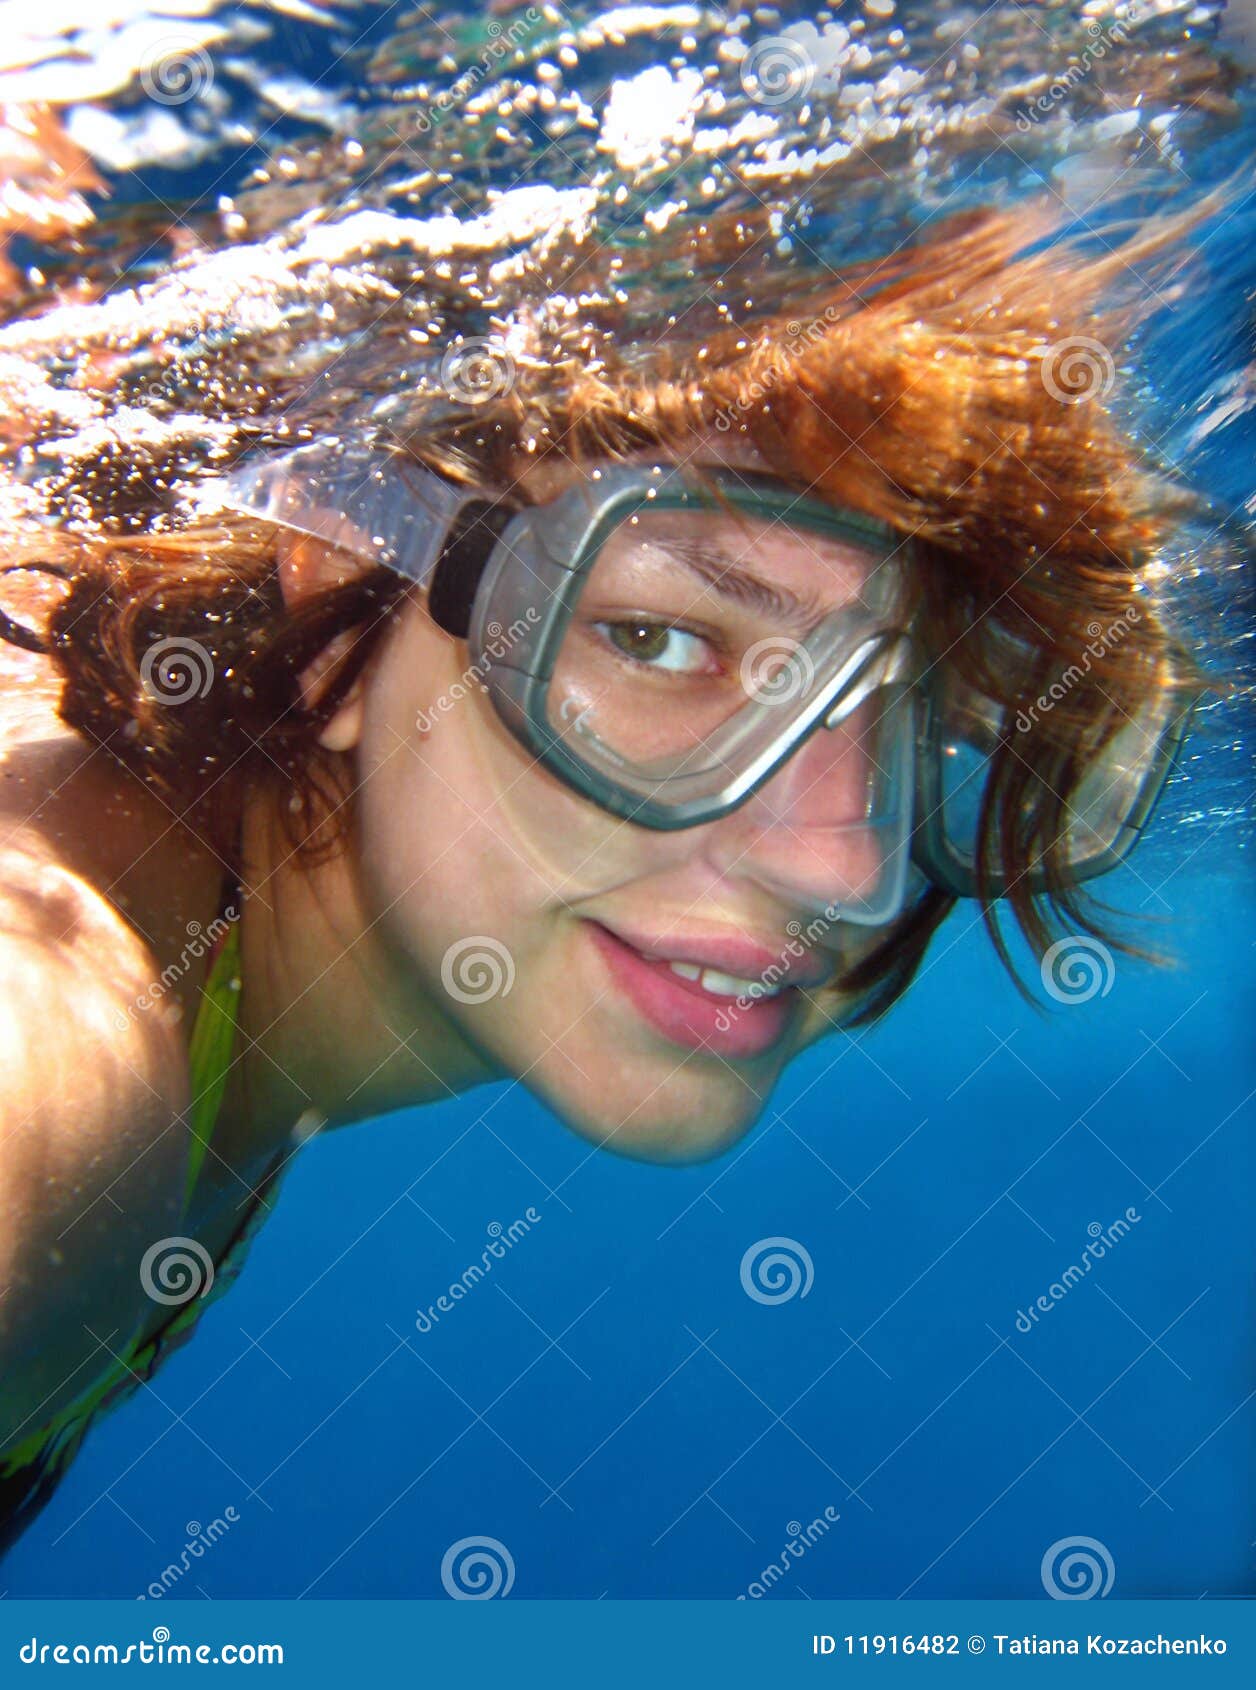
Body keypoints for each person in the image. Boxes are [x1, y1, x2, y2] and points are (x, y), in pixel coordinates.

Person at [0, 201, 1206, 1552]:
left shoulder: (194, 938)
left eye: (934, 723)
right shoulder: (66, 1033)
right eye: (661, 637)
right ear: (345, 555)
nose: (848, 865)